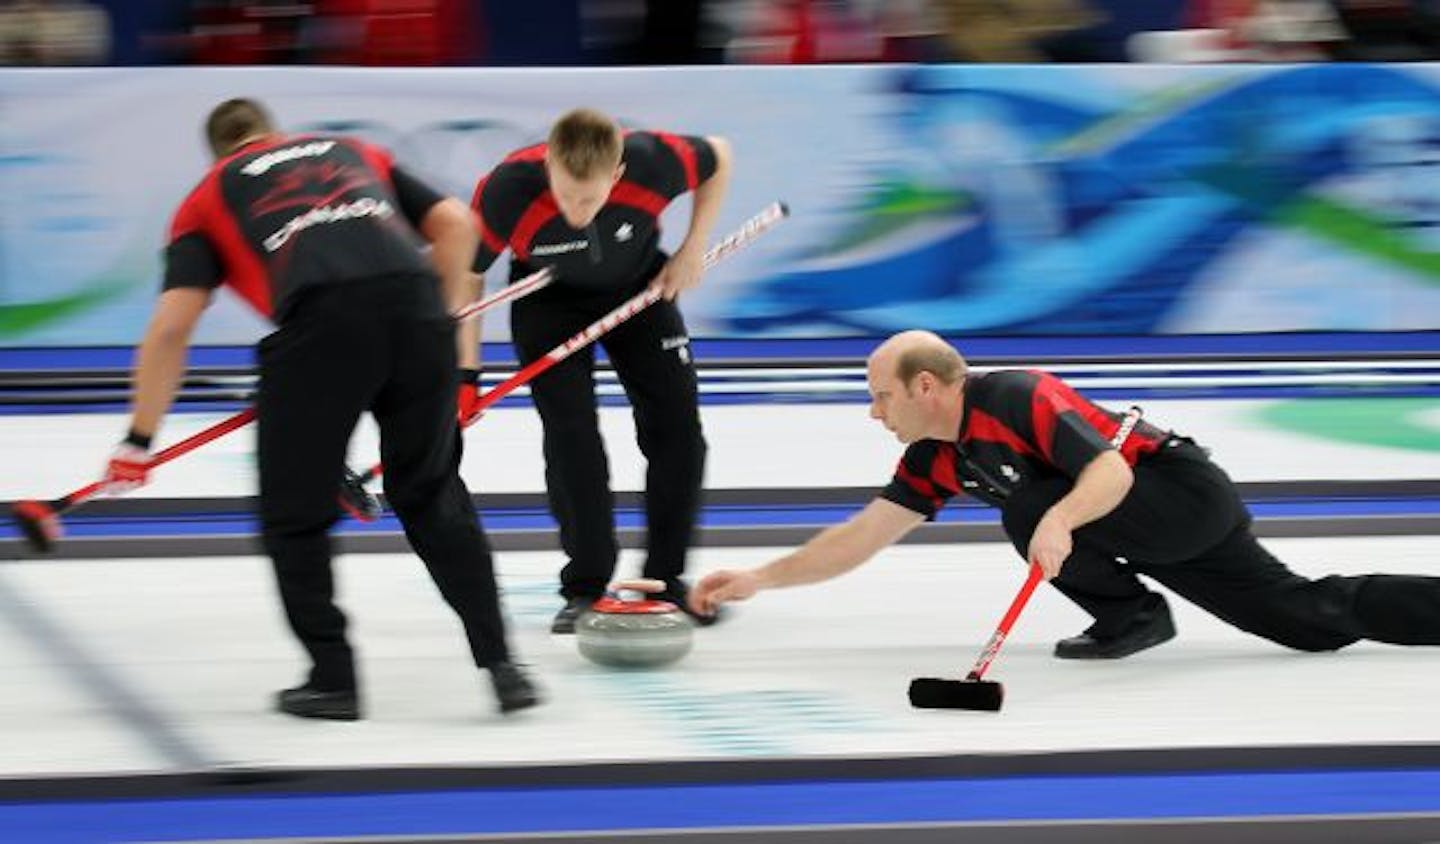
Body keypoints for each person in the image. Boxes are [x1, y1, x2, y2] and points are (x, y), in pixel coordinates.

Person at [99, 97, 540, 720]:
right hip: (416, 312)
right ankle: (503, 665)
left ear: (221, 149)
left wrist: (139, 440)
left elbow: (172, 326)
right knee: (433, 494)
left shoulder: (206, 197)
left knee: (293, 517)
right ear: (272, 132)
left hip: (321, 331)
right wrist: (439, 321)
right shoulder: (357, 151)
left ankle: (333, 680)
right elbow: (456, 225)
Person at [690, 330, 1440, 660]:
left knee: (1030, 504)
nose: (873, 411)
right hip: (1140, 532)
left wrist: (1056, 521)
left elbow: (1109, 474)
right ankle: (1139, 614)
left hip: (1178, 498)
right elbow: (865, 533)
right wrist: (759, 578)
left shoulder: (1019, 395)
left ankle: (1132, 613)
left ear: (925, 385)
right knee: (1309, 621)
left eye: (880, 396)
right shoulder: (933, 456)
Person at [465, 107, 732, 634]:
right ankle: (586, 586)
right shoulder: (505, 190)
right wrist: (464, 376)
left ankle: (664, 580)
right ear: (547, 166)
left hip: (641, 291)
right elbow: (465, 277)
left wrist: (691, 247)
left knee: (679, 432)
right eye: (565, 196)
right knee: (572, 441)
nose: (577, 211)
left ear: (617, 174)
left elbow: (719, 155)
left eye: (590, 197)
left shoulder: (654, 161)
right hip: (548, 303)